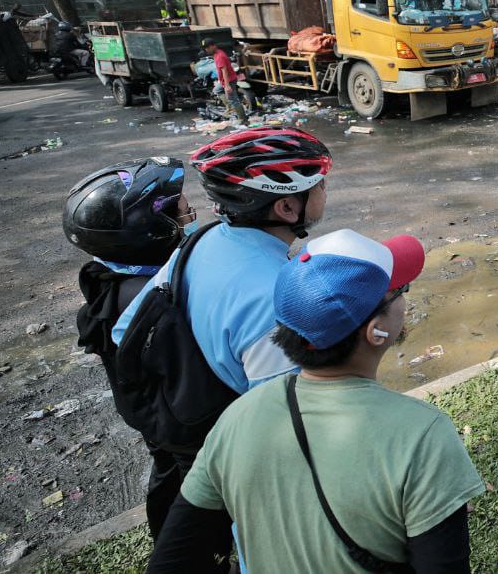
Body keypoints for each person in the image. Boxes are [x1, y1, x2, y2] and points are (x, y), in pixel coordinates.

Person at [146, 228, 485, 574]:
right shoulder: (423, 437)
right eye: (399, 291)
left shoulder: (237, 418)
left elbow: (171, 559)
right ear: (376, 331)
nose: (404, 298)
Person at [110, 129, 333, 520]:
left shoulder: (203, 239)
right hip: (225, 446)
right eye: (319, 185)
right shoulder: (278, 298)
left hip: (179, 418)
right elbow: (284, 428)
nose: (325, 192)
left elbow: (123, 329)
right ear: (286, 208)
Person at [65, 157, 199, 537]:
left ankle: (168, 539)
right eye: (185, 215)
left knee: (167, 475)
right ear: (152, 232)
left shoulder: (112, 274)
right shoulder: (154, 300)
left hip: (149, 413)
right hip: (177, 421)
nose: (191, 220)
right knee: (193, 493)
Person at [201, 38, 249, 124]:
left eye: (207, 47)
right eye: (205, 48)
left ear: (213, 46)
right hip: (226, 80)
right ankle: (230, 107)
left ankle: (243, 120)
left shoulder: (220, 56)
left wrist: (227, 86)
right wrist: (221, 81)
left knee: (234, 100)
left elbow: (224, 71)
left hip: (229, 80)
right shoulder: (217, 53)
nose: (206, 50)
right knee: (217, 90)